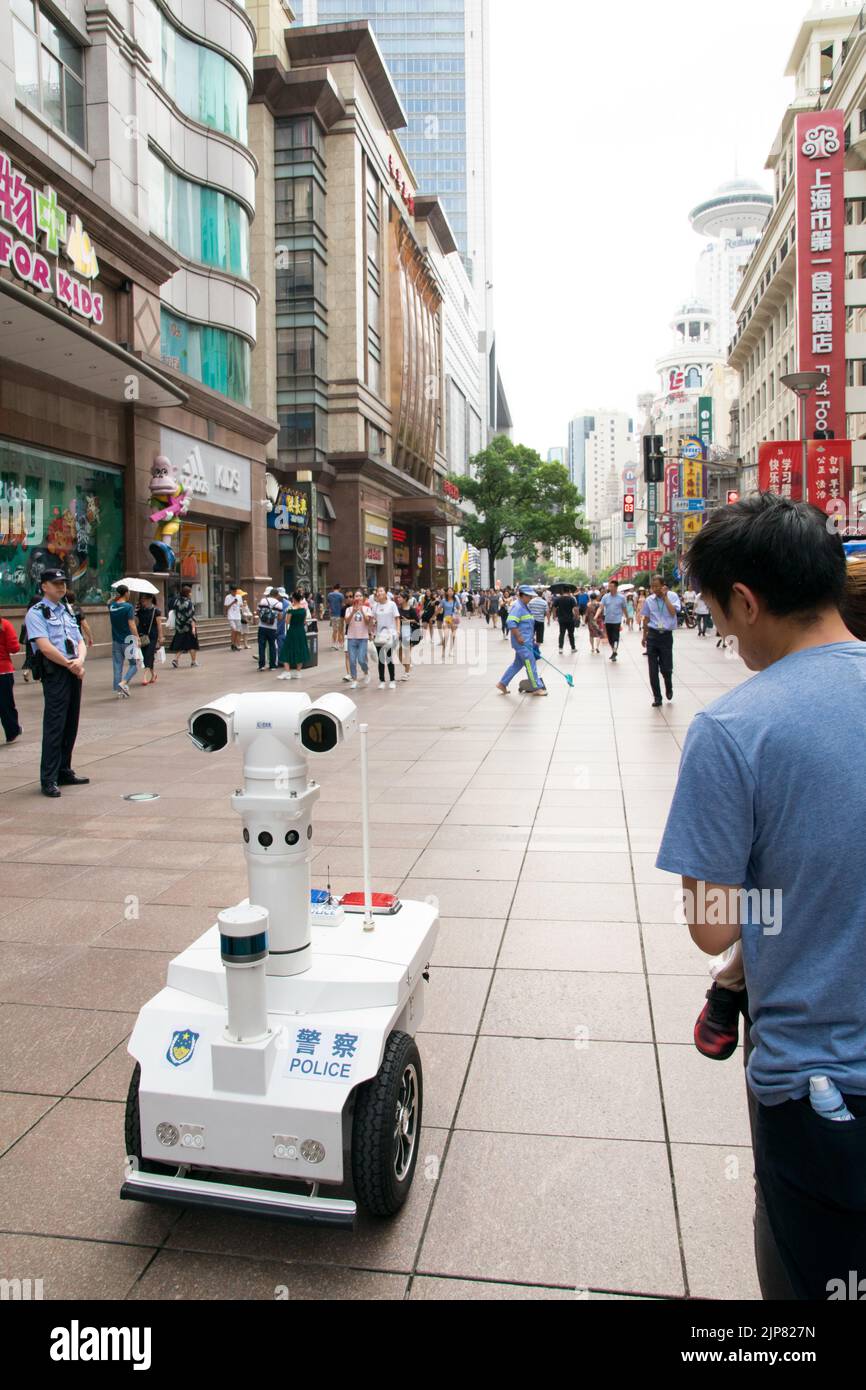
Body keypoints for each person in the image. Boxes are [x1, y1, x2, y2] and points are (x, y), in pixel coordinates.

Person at [656, 493, 866, 1302]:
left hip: (820, 1093)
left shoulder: (736, 729)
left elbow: (713, 927)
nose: (728, 635)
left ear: (746, 600)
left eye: (719, 615)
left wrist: (783, 898)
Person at [24, 568, 89, 797]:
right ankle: (49, 778)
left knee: (71, 723)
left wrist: (79, 661)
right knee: (55, 726)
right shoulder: (37, 613)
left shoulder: (67, 610)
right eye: (55, 583)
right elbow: (44, 646)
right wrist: (69, 664)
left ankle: (64, 770)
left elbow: (79, 640)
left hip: (73, 669)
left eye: (63, 583)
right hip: (56, 672)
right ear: (44, 586)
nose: (61, 587)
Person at [496, 584, 547, 696]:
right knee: (530, 663)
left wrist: (531, 638)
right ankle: (536, 688)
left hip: (526, 642)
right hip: (522, 643)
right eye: (529, 596)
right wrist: (519, 636)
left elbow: (527, 624)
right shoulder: (518, 607)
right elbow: (510, 622)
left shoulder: (524, 606)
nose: (530, 598)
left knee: (517, 664)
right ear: (521, 595)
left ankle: (502, 683)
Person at [642, 575, 680, 706]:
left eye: (657, 586)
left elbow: (673, 612)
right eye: (652, 586)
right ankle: (657, 697)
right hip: (653, 635)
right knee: (652, 670)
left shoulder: (673, 596)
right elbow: (646, 618)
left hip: (666, 636)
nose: (654, 589)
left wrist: (665, 597)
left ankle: (668, 685)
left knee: (666, 668)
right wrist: (644, 635)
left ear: (664, 586)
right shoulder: (649, 600)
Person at [108, 585, 141, 697]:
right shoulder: (128, 607)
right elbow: (131, 624)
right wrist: (137, 638)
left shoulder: (111, 606)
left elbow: (110, 601)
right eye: (129, 592)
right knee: (134, 664)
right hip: (128, 640)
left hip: (116, 641)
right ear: (126, 593)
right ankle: (124, 682)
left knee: (117, 666)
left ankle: (119, 691)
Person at [371, 585, 400, 688]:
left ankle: (392, 680)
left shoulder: (392, 604)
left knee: (388, 657)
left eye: (381, 591)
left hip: (390, 634)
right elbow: (372, 619)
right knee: (380, 658)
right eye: (378, 591)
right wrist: (372, 628)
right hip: (379, 635)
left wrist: (398, 631)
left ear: (386, 593)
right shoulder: (375, 606)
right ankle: (382, 681)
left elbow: (397, 618)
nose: (379, 593)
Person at [0, 611, 22, 743]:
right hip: (3, 670)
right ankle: (12, 731)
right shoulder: (5, 625)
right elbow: (14, 648)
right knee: (6, 703)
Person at [345, 590, 374, 688]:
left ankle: (366, 671)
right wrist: (353, 611)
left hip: (363, 638)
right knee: (352, 661)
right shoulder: (349, 609)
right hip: (351, 637)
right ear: (354, 598)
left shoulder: (367, 609)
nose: (358, 597)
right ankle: (354, 680)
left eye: (360, 596)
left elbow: (367, 622)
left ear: (363, 598)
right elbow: (347, 621)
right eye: (356, 596)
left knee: (361, 660)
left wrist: (361, 610)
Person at [278, 592, 309, 679]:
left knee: (286, 650)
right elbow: (304, 621)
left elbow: (287, 622)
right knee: (300, 649)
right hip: (301, 632)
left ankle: (287, 672)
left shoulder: (291, 610)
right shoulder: (303, 610)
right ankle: (298, 672)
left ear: (294, 599)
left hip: (292, 631)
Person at [136, 593, 163, 685]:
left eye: (145, 599)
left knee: (148, 654)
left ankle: (144, 676)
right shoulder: (139, 610)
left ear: (150, 599)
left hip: (152, 636)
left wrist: (160, 637)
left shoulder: (156, 611)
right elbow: (136, 622)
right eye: (142, 599)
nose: (143, 601)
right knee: (146, 655)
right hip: (142, 635)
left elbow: (159, 625)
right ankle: (153, 674)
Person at [170, 584, 199, 668]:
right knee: (192, 644)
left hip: (179, 627)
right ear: (188, 593)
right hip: (188, 626)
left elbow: (174, 612)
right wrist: (193, 628)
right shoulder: (189, 603)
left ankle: (175, 659)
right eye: (190, 592)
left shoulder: (176, 601)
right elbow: (191, 616)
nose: (191, 594)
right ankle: (193, 662)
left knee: (181, 644)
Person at [599, 579, 626, 661]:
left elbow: (624, 608)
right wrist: (596, 615)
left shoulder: (621, 597)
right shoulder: (605, 597)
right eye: (609, 586)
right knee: (610, 638)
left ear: (616, 587)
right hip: (608, 620)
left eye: (611, 586)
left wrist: (627, 617)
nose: (609, 587)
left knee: (615, 636)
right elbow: (601, 607)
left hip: (617, 620)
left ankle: (614, 651)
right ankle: (614, 650)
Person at [256, 587, 281, 671]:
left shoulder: (263, 600)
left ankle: (261, 665)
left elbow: (258, 611)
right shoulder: (279, 603)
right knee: (272, 646)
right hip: (272, 628)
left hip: (262, 626)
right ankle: (272, 665)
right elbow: (280, 617)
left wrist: (263, 618)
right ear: (277, 595)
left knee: (261, 645)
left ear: (270, 594)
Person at [397, 590, 420, 680]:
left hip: (409, 632)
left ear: (405, 599)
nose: (398, 599)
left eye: (400, 597)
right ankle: (408, 666)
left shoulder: (411, 610)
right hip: (400, 632)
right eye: (398, 597)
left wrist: (408, 621)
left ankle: (406, 673)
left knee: (406, 653)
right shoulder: (398, 609)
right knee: (399, 654)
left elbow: (417, 620)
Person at [552, 588, 578, 654]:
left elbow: (554, 608)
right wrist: (576, 617)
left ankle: (560, 648)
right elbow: (575, 609)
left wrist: (554, 616)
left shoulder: (558, 599)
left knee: (561, 633)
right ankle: (573, 648)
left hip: (561, 619)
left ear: (562, 591)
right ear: (569, 591)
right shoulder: (571, 599)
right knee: (571, 634)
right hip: (570, 619)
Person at [224, 584, 243, 650]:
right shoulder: (227, 597)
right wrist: (233, 602)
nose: (235, 593)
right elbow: (226, 607)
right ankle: (233, 644)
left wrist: (242, 614)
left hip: (238, 616)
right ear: (231, 591)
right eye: (234, 591)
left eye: (236, 591)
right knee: (234, 630)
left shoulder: (239, 597)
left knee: (238, 631)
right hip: (231, 616)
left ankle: (237, 644)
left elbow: (241, 606)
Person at [328, 584, 345, 649]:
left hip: (332, 614)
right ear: (339, 588)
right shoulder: (341, 595)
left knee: (334, 630)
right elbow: (342, 605)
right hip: (339, 614)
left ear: (333, 588)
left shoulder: (329, 595)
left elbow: (329, 605)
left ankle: (334, 643)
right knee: (340, 630)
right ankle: (340, 644)